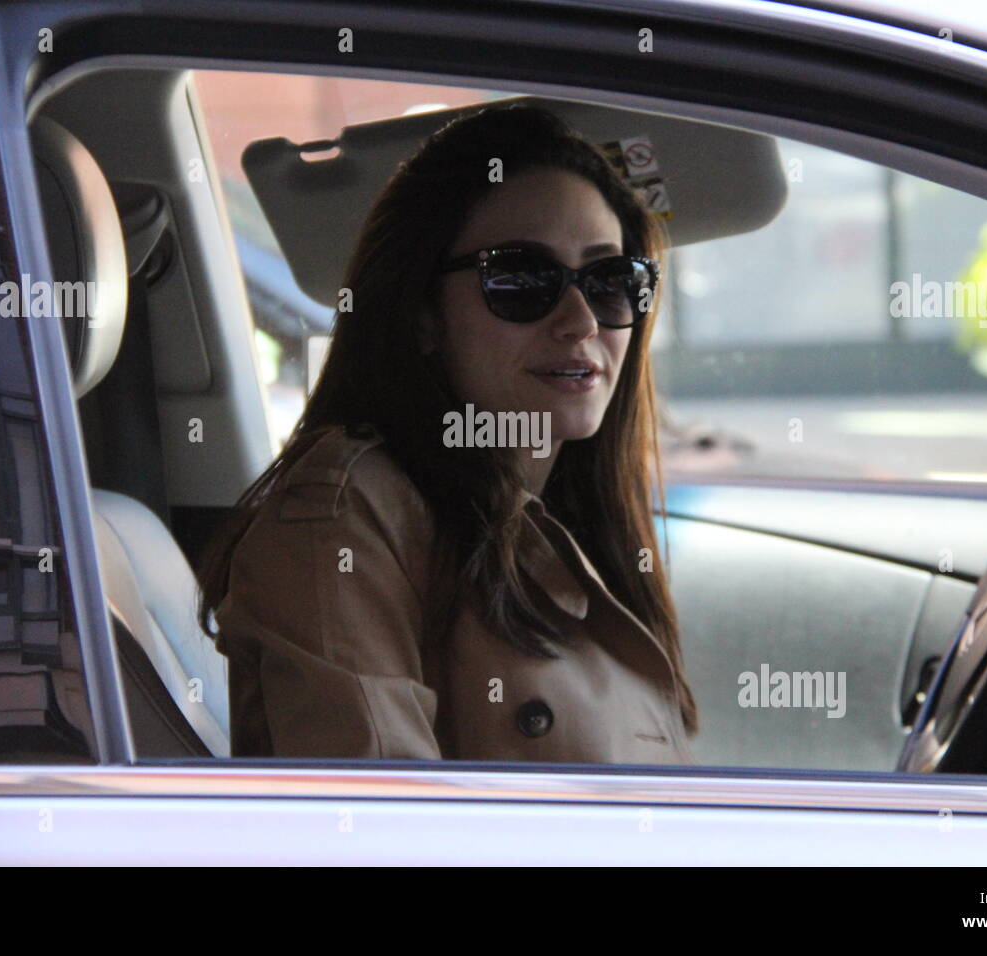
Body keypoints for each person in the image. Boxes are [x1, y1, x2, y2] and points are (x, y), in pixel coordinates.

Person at [196, 103, 699, 762]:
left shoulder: (579, 518)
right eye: (520, 279)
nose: (581, 321)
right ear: (422, 314)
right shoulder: (345, 517)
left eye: (610, 281)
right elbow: (378, 832)